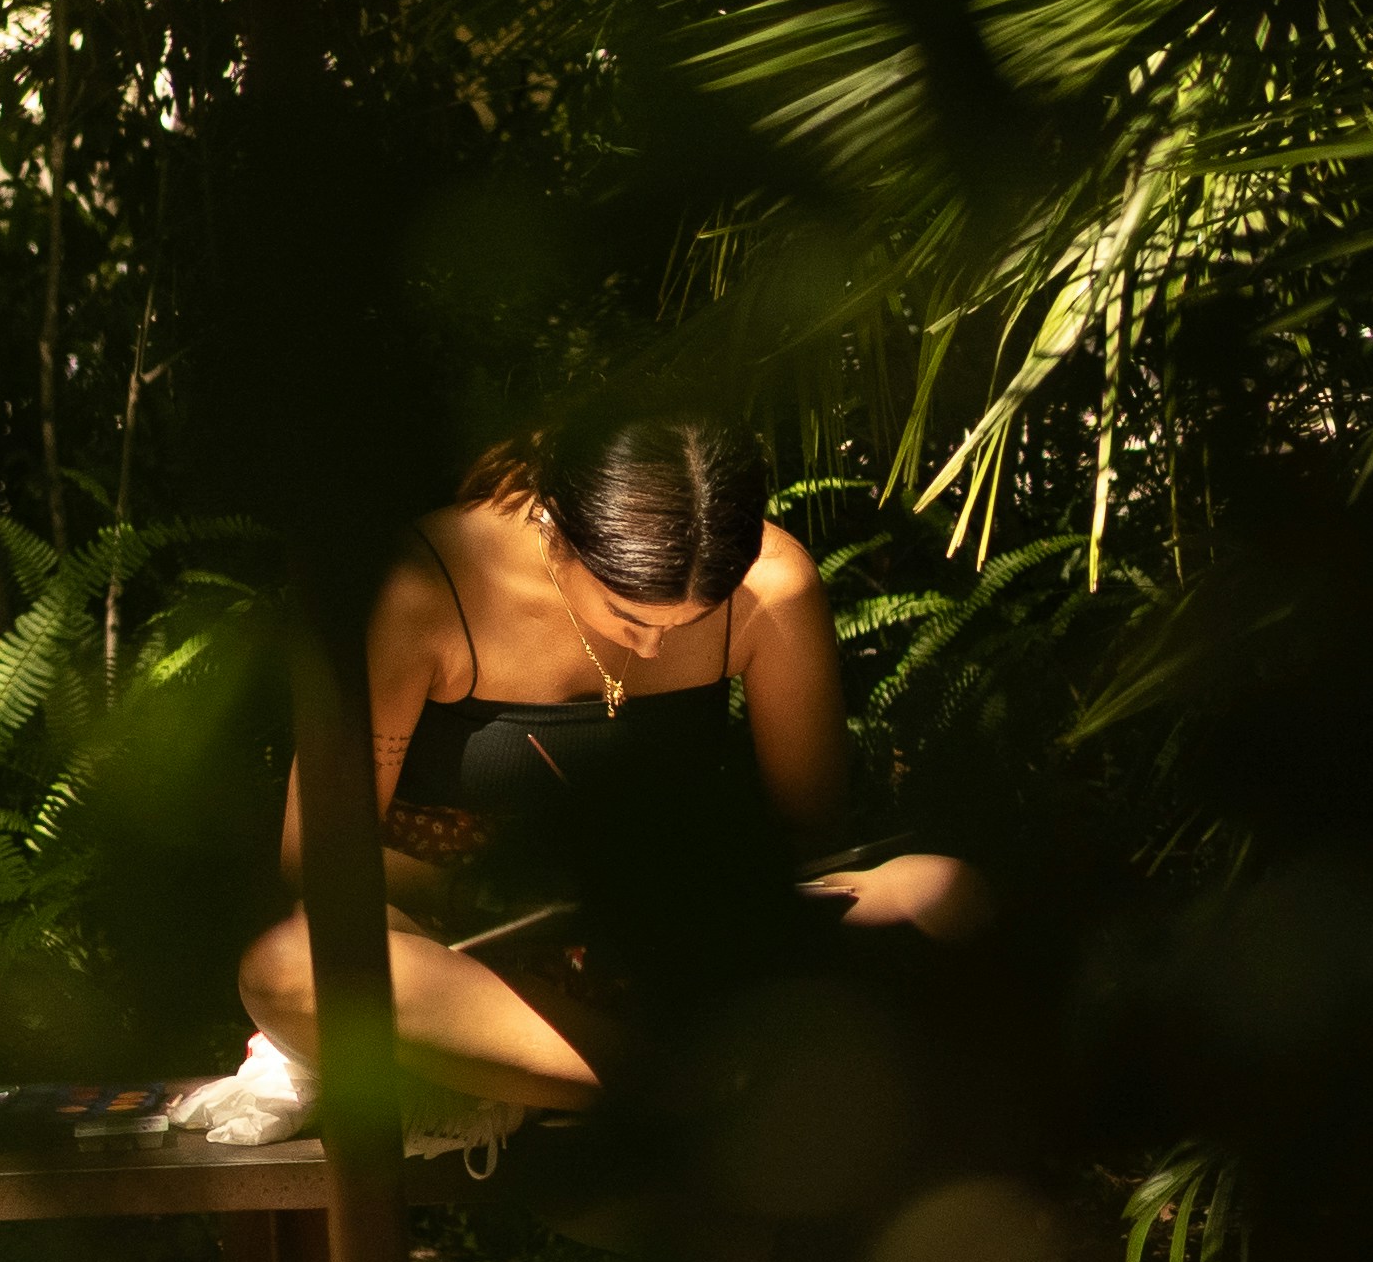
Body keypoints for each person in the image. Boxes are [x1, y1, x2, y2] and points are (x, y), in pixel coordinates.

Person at [216, 415, 988, 1130]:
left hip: (668, 927)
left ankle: (666, 1066)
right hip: (470, 950)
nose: (651, 648)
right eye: (628, 616)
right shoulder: (421, 587)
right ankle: (678, 1081)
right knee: (292, 970)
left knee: (943, 891)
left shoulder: (772, 585)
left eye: (691, 621)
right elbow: (316, 856)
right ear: (557, 534)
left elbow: (808, 832)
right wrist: (501, 889)